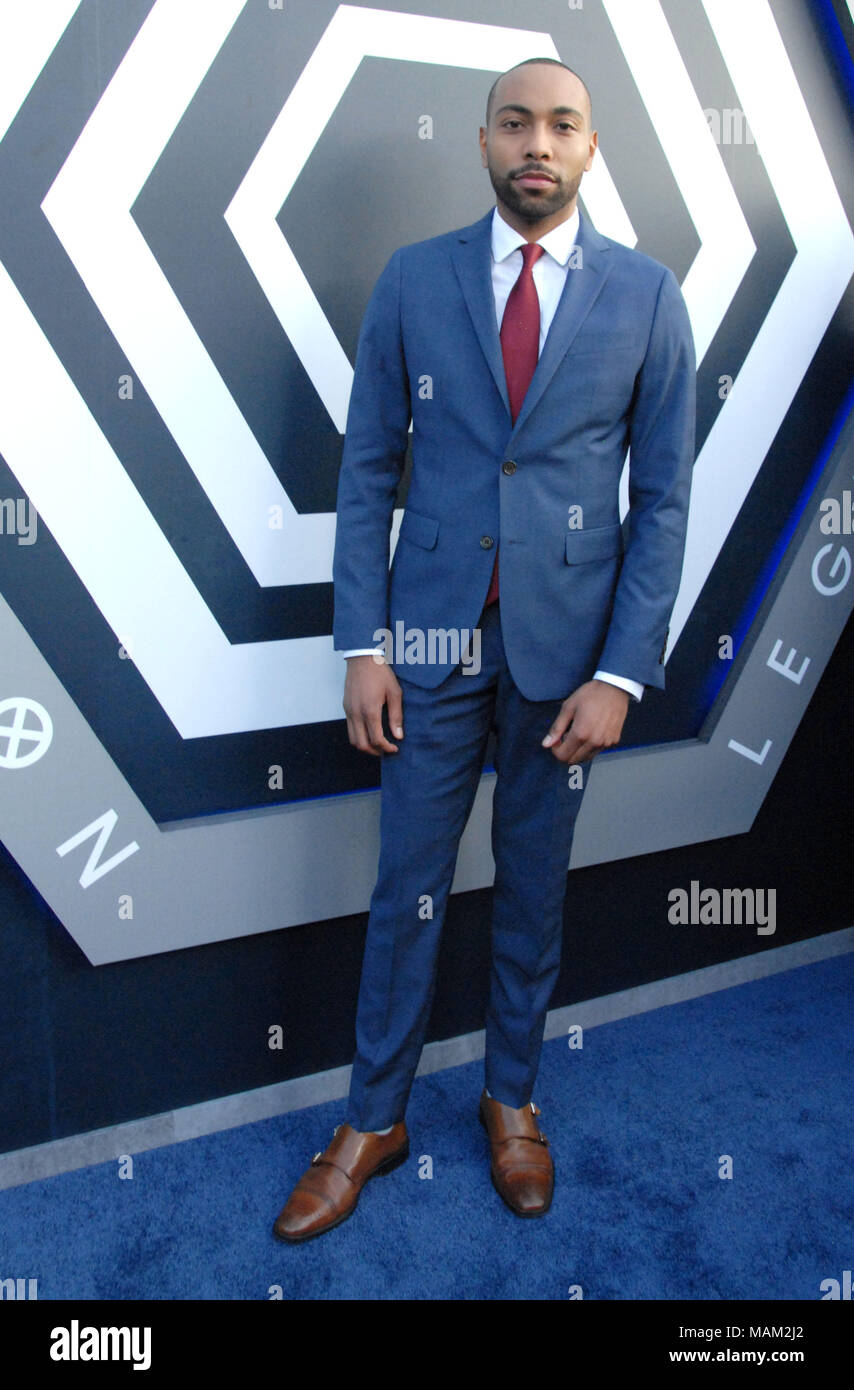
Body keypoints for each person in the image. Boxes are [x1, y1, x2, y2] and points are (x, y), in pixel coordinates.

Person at [274, 57, 695, 1241]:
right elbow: (364, 472)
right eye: (516, 122)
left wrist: (619, 671)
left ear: (589, 148)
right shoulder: (413, 281)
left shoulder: (648, 295)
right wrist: (363, 643)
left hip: (567, 664)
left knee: (533, 886)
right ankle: (373, 1116)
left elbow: (659, 500)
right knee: (404, 883)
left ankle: (511, 1099)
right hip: (424, 640)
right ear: (481, 141)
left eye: (561, 125)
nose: (536, 144)